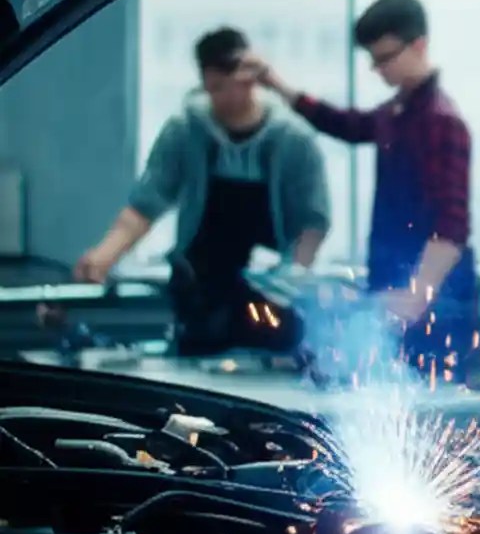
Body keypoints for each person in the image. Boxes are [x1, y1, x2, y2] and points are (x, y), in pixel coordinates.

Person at [244, 0, 476, 377]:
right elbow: (345, 125)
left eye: (385, 57)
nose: (377, 68)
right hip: (393, 283)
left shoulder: (442, 121)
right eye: (373, 59)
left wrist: (420, 290)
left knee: (433, 404)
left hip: (432, 296)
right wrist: (276, 84)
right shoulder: (397, 114)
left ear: (419, 45)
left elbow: (451, 223)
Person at [76, 27, 330, 356]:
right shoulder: (185, 131)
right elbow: (146, 204)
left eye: (226, 85)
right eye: (212, 88)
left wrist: (289, 281)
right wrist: (104, 256)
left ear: (249, 78)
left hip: (270, 291)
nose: (220, 97)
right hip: (199, 287)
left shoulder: (294, 140)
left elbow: (312, 222)